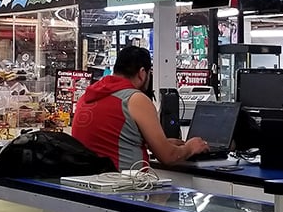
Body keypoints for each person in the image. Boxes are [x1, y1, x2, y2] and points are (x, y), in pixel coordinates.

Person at [72, 45, 208, 169]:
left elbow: (109, 139)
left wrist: (158, 142)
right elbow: (169, 156)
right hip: (126, 186)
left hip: (89, 183)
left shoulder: (87, 96)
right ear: (142, 73)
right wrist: (191, 147)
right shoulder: (135, 99)